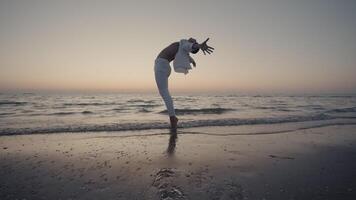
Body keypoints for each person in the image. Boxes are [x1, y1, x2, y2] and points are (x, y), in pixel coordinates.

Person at [154, 38, 214, 131]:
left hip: (161, 65)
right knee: (164, 93)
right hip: (163, 66)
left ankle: (173, 118)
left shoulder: (184, 44)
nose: (195, 39)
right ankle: (173, 117)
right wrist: (192, 60)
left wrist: (199, 46)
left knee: (164, 93)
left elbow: (190, 46)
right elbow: (187, 51)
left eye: (195, 41)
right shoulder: (182, 47)